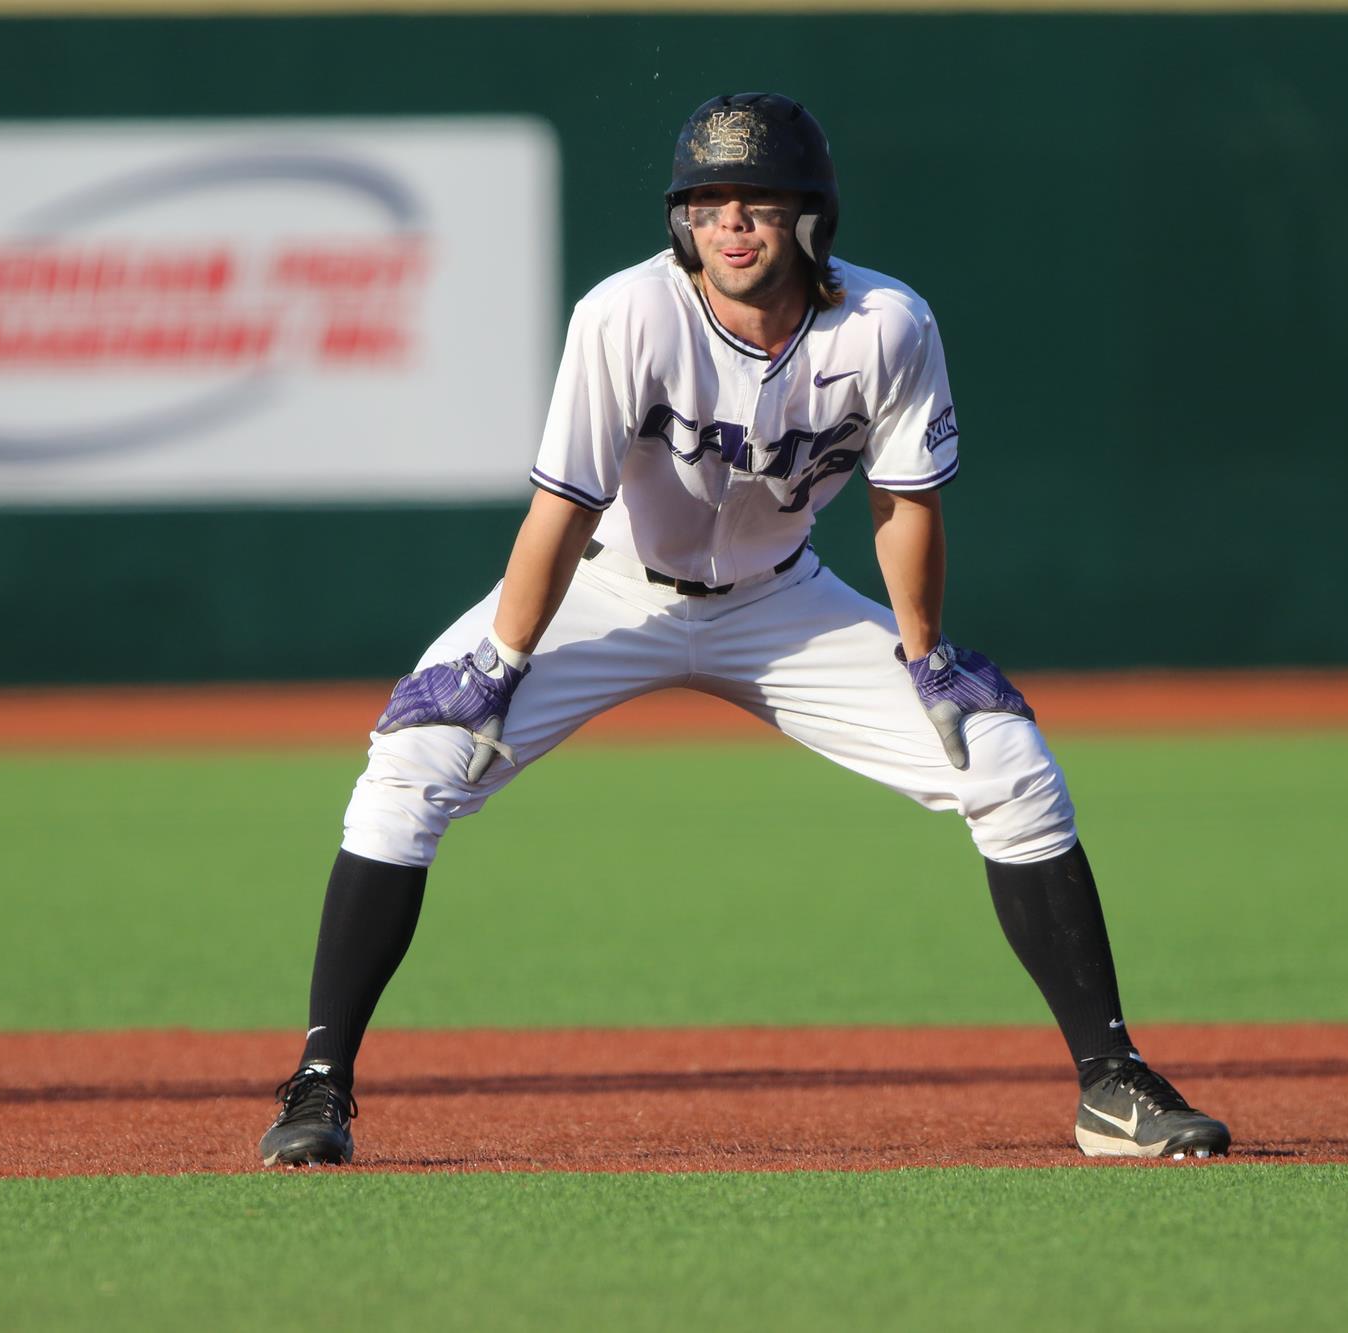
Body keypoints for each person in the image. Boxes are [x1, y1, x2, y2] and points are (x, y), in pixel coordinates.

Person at [257, 92, 1229, 1166]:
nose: (729, 222)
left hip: (781, 601)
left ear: (811, 217)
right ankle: (318, 1087)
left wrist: (925, 654)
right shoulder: (626, 313)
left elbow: (903, 505)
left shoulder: (885, 325)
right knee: (409, 767)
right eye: (706, 200)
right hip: (604, 587)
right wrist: (502, 659)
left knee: (1004, 758)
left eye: (755, 199)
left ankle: (1109, 1081)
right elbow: (560, 510)